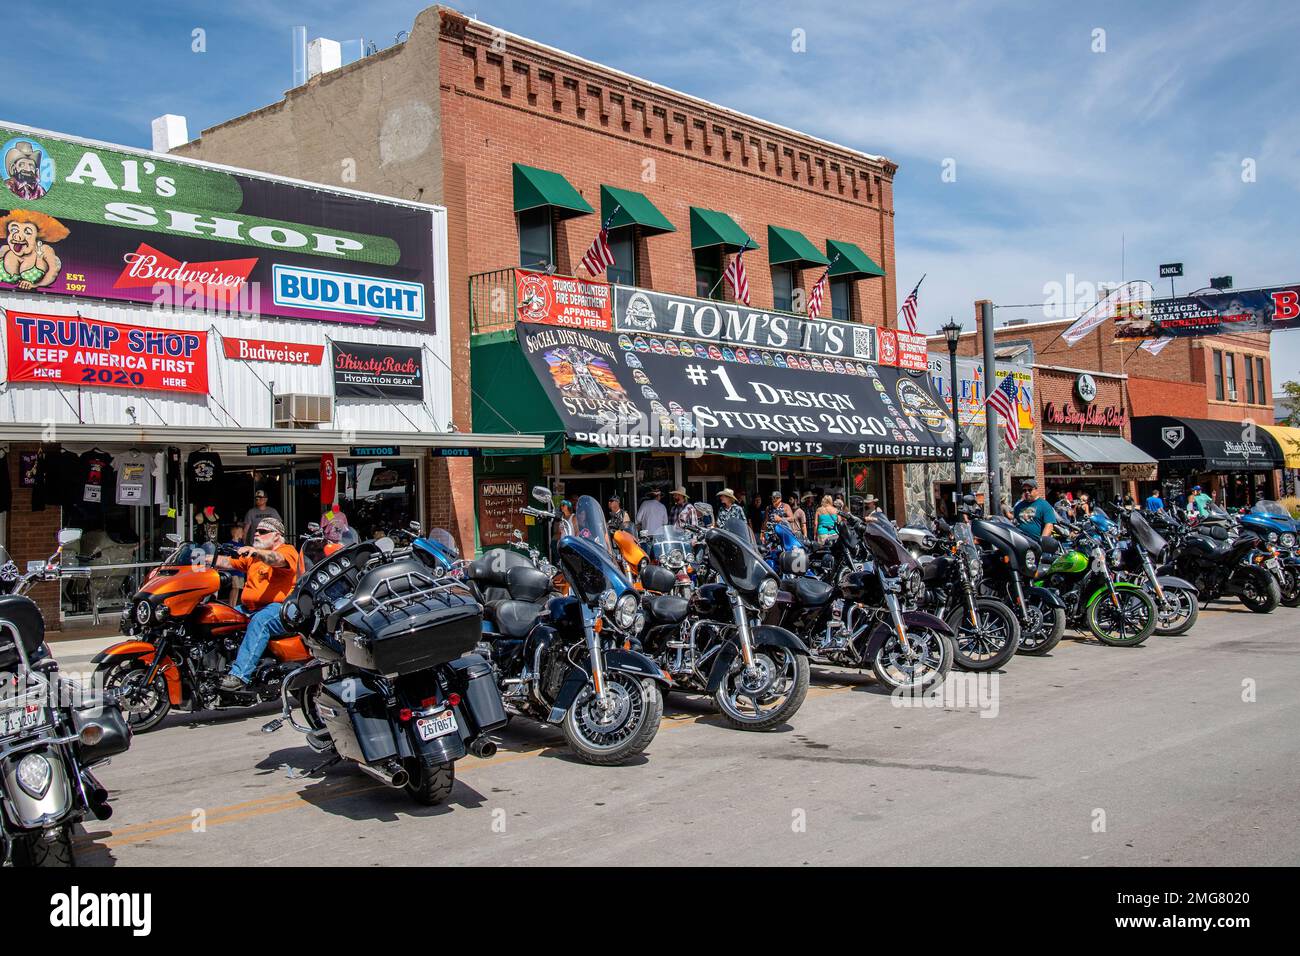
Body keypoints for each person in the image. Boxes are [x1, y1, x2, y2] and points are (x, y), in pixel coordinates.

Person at [215, 518, 300, 691]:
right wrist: (198, 557)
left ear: (276, 536)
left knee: (261, 621)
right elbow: (227, 562)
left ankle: (240, 675)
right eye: (256, 530)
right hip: (248, 608)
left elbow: (277, 559)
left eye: (262, 532)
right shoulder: (255, 557)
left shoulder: (287, 551)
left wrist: (256, 552)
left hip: (280, 610)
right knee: (218, 616)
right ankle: (213, 671)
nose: (256, 533)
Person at [1012, 478, 1057, 544]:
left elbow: (1049, 525)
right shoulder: (1019, 506)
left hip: (1035, 545)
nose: (1027, 492)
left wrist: (1042, 542)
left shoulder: (1044, 505)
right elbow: (1015, 522)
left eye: (1030, 490)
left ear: (1036, 490)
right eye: (1024, 490)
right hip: (1020, 543)